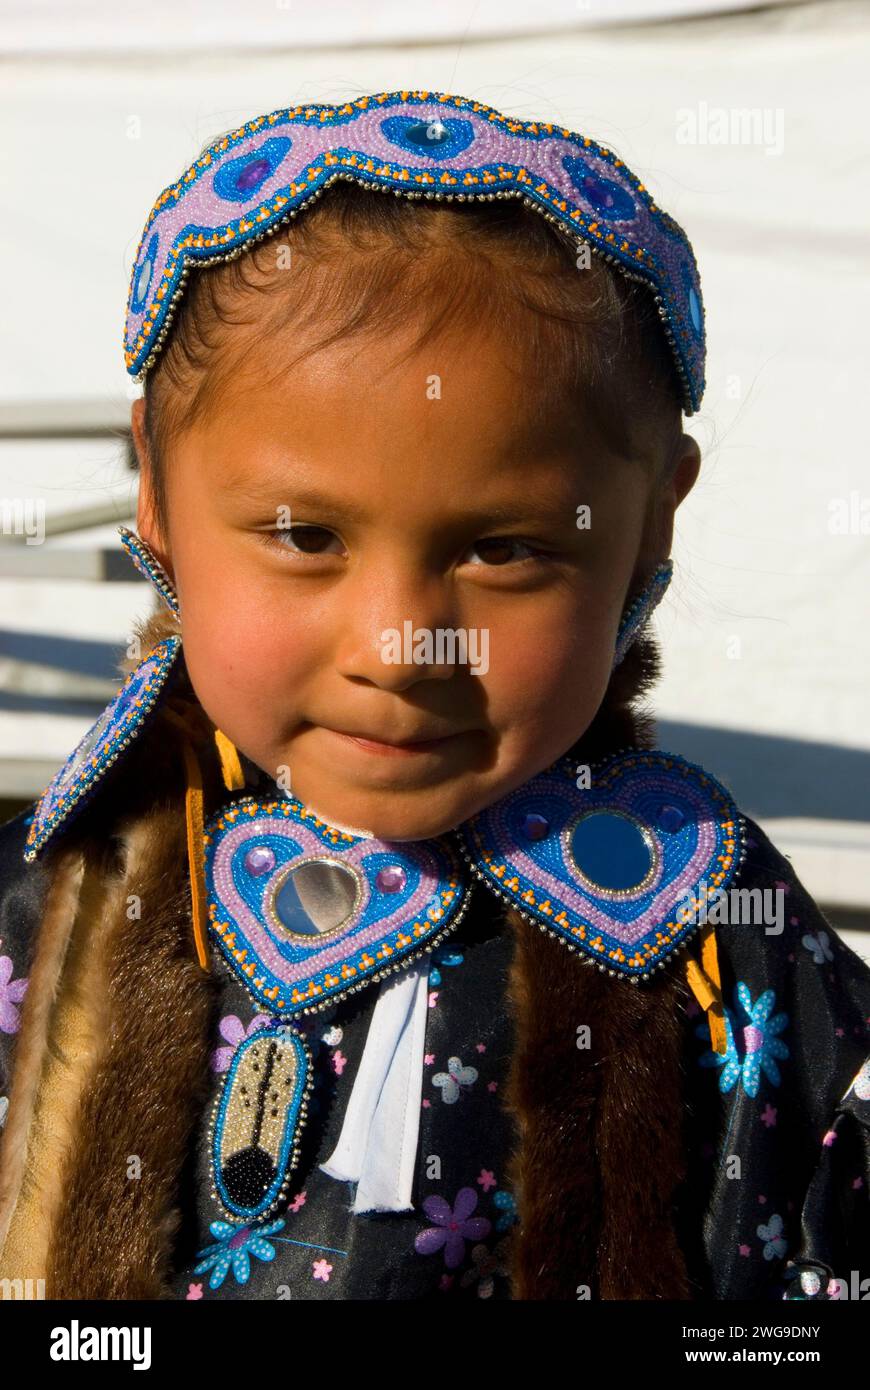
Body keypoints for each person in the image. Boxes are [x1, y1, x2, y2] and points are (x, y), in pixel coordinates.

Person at [0, 90, 867, 1303]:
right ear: (153, 487)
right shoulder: (50, 909)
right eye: (304, 534)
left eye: (505, 550)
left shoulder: (719, 942)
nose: (400, 646)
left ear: (653, 520)